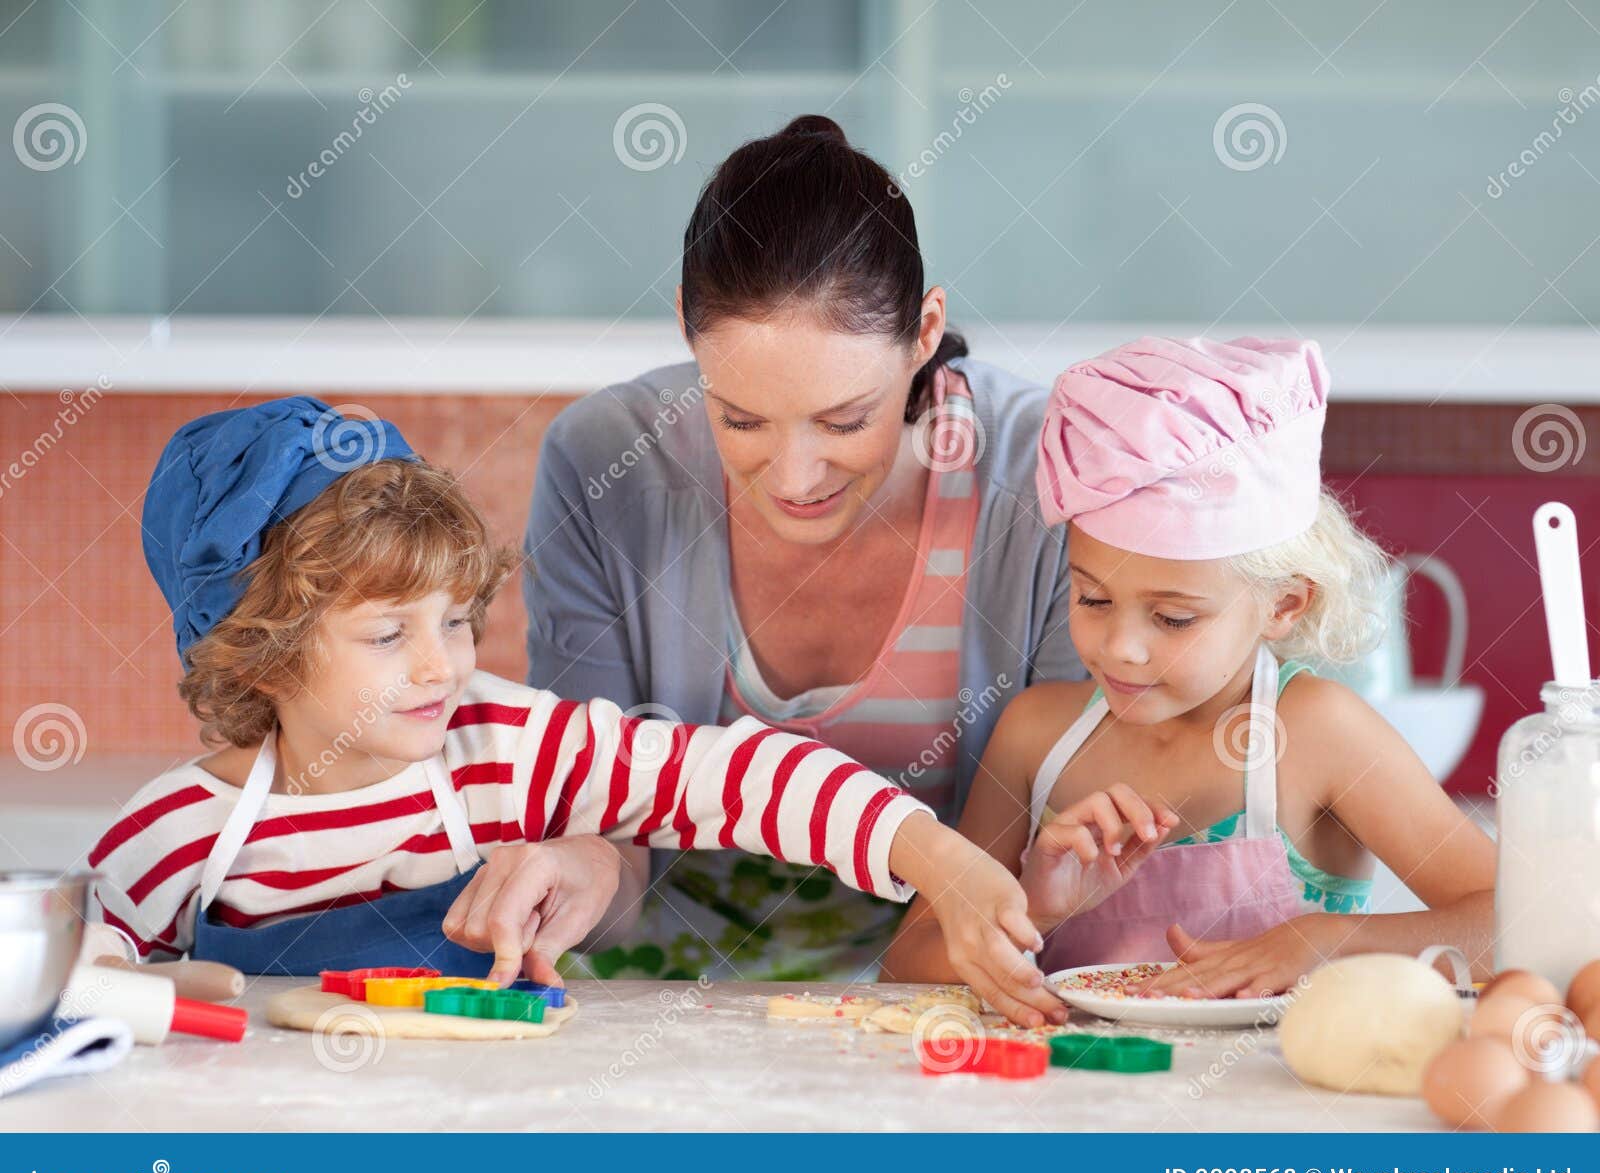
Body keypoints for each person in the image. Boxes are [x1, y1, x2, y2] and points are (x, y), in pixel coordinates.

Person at [89, 398, 1064, 1024]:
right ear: (258, 654)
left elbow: (736, 774)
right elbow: (70, 983)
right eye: (390, 636)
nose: (444, 665)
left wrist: (939, 858)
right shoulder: (182, 832)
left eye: (457, 619)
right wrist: (123, 989)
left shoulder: (503, 749)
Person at [525, 114, 1083, 983]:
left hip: (944, 979)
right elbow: (597, 802)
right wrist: (580, 867)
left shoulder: (1041, 477)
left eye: (844, 419)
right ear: (685, 329)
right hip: (656, 995)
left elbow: (1056, 830)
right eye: (740, 418)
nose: (793, 475)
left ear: (926, 331)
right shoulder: (604, 467)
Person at [883, 336, 1497, 997]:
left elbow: (1521, 925)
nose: (1121, 647)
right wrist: (1035, 909)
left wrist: (1324, 943)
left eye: (1173, 618)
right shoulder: (1034, 738)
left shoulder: (1321, 733)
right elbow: (906, 962)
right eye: (1092, 597)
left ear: (1283, 605)